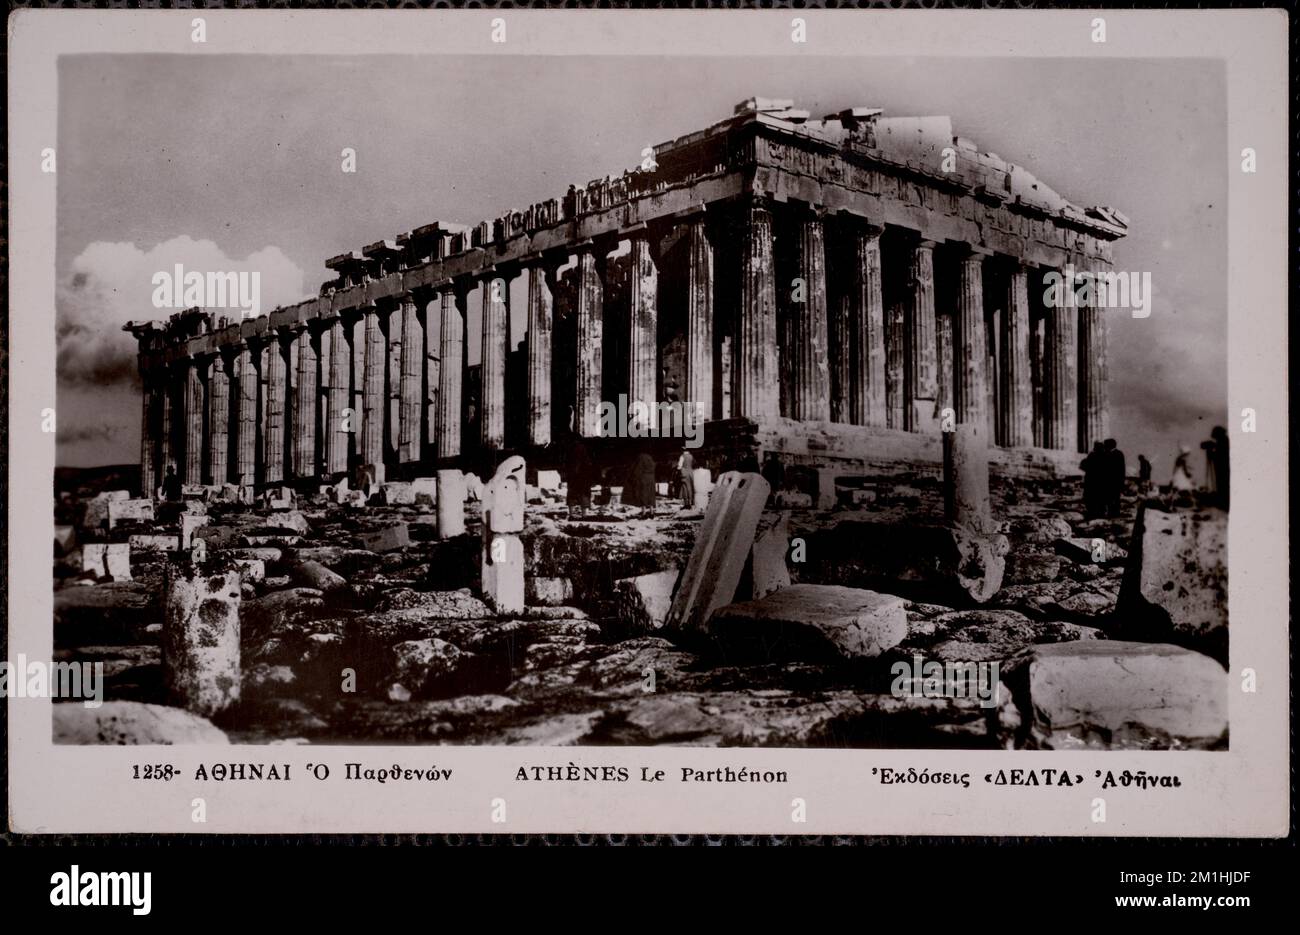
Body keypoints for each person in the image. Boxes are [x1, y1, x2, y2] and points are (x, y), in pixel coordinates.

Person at [1201, 426, 1230, 509]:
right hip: (1222, 468)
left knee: (1223, 485)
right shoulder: (1223, 441)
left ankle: (1223, 502)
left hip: (1223, 469)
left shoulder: (1223, 441)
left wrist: (1211, 453)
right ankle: (1223, 501)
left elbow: (1221, 456)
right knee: (1222, 484)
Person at [566, 438, 593, 518]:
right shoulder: (584, 449)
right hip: (583, 475)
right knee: (584, 494)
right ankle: (584, 514)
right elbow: (588, 462)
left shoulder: (570, 449)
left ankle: (571, 514)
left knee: (572, 494)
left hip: (573, 475)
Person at [1079, 442, 1107, 519]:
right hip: (1100, 482)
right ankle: (1099, 513)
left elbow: (1084, 466)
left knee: (1091, 499)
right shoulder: (1105, 456)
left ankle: (1093, 513)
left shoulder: (1092, 455)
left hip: (1092, 481)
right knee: (1099, 499)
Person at [628, 452, 657, 518]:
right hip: (651, 478)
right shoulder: (650, 458)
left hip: (644, 478)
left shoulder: (641, 457)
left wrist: (633, 478)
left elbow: (637, 470)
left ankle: (644, 513)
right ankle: (652, 512)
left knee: (643, 495)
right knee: (651, 495)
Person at [1103, 438, 1126, 517]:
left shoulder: (1117, 454)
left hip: (1115, 480)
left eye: (1105, 445)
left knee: (1115, 497)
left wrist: (1121, 481)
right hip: (1111, 480)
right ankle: (1112, 512)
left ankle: (1115, 512)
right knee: (1110, 497)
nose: (1104, 446)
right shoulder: (1114, 453)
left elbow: (1121, 469)